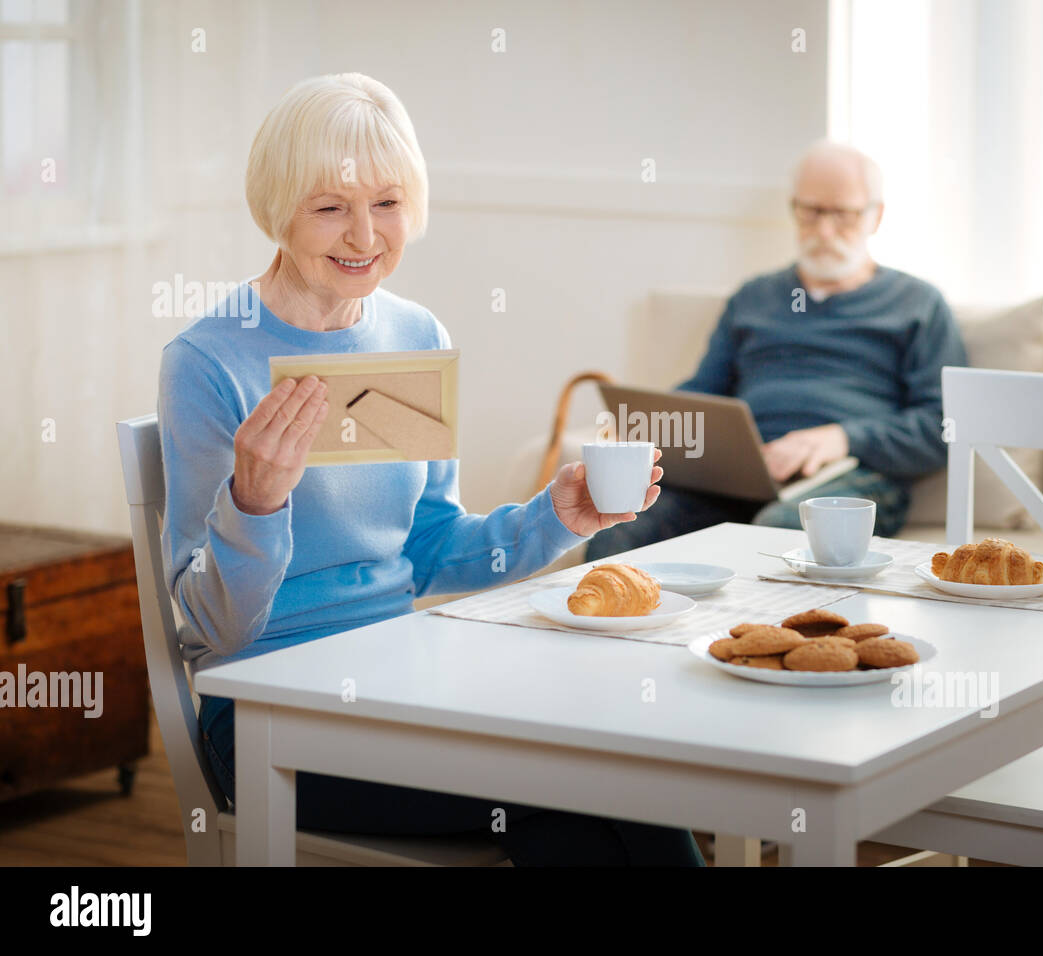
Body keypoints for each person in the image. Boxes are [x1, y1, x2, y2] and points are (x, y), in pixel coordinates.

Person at [159, 72, 702, 866]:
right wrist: (255, 505)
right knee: (580, 790)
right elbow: (212, 629)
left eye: (386, 203)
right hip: (263, 712)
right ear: (278, 208)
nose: (363, 236)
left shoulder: (414, 333)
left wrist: (557, 517)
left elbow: (433, 550)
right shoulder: (207, 362)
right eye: (329, 207)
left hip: (399, 674)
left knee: (611, 779)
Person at [586, 140, 967, 562]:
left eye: (843, 214)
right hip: (742, 475)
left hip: (849, 476)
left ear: (876, 217)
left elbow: (942, 426)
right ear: (794, 209)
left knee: (777, 532)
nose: (824, 231)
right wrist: (651, 425)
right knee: (623, 523)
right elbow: (702, 392)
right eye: (811, 211)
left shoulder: (918, 304)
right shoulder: (754, 298)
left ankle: (755, 631)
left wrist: (842, 438)